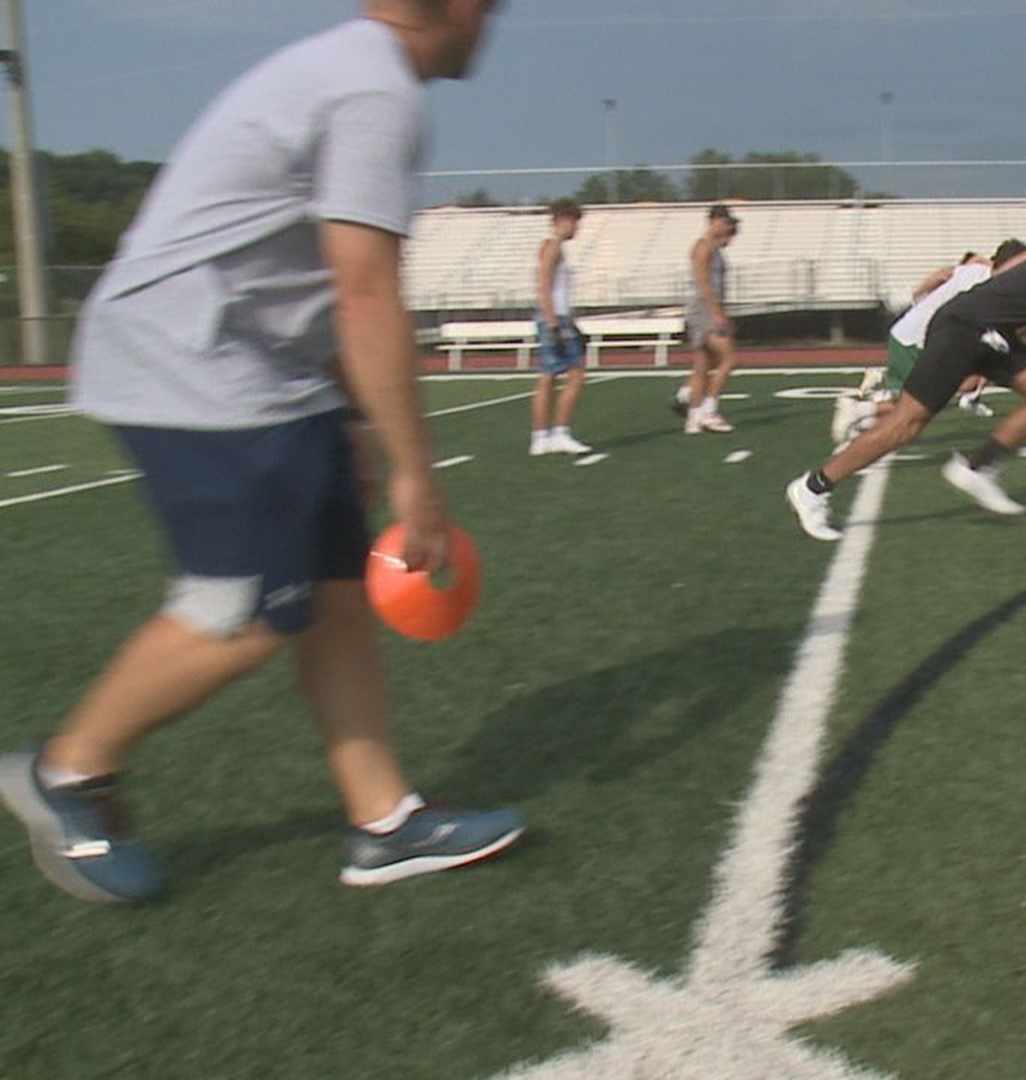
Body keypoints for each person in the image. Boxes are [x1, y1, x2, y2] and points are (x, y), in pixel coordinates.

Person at [0, 0, 524, 906]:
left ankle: (384, 820)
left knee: (333, 594)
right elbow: (365, 292)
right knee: (241, 611)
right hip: (190, 355)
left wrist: (350, 423)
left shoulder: (353, 70)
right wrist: (418, 473)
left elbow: (297, 272)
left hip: (258, 359)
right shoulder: (375, 93)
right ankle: (68, 771)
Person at [786, 196, 1026, 541]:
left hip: (989, 333)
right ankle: (812, 488)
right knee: (905, 425)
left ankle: (976, 468)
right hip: (963, 330)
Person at [831, 239, 1026, 446]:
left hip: (918, 336)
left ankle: (864, 418)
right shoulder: (987, 286)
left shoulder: (976, 271)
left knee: (929, 398)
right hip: (916, 339)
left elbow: (943, 274)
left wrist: (914, 295)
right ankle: (858, 410)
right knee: (922, 402)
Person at [529, 197, 593, 456]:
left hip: (557, 318)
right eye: (575, 223)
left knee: (548, 377)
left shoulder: (554, 248)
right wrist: (555, 325)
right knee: (576, 375)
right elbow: (543, 286)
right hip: (554, 319)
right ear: (564, 219)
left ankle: (541, 436)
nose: (577, 229)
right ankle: (559, 432)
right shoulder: (552, 248)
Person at [673, 204, 741, 434]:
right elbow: (703, 282)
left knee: (702, 364)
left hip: (705, 309)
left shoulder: (712, 247)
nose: (728, 227)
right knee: (729, 359)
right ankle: (709, 410)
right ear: (714, 221)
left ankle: (693, 417)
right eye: (725, 222)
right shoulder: (704, 246)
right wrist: (717, 313)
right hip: (705, 311)